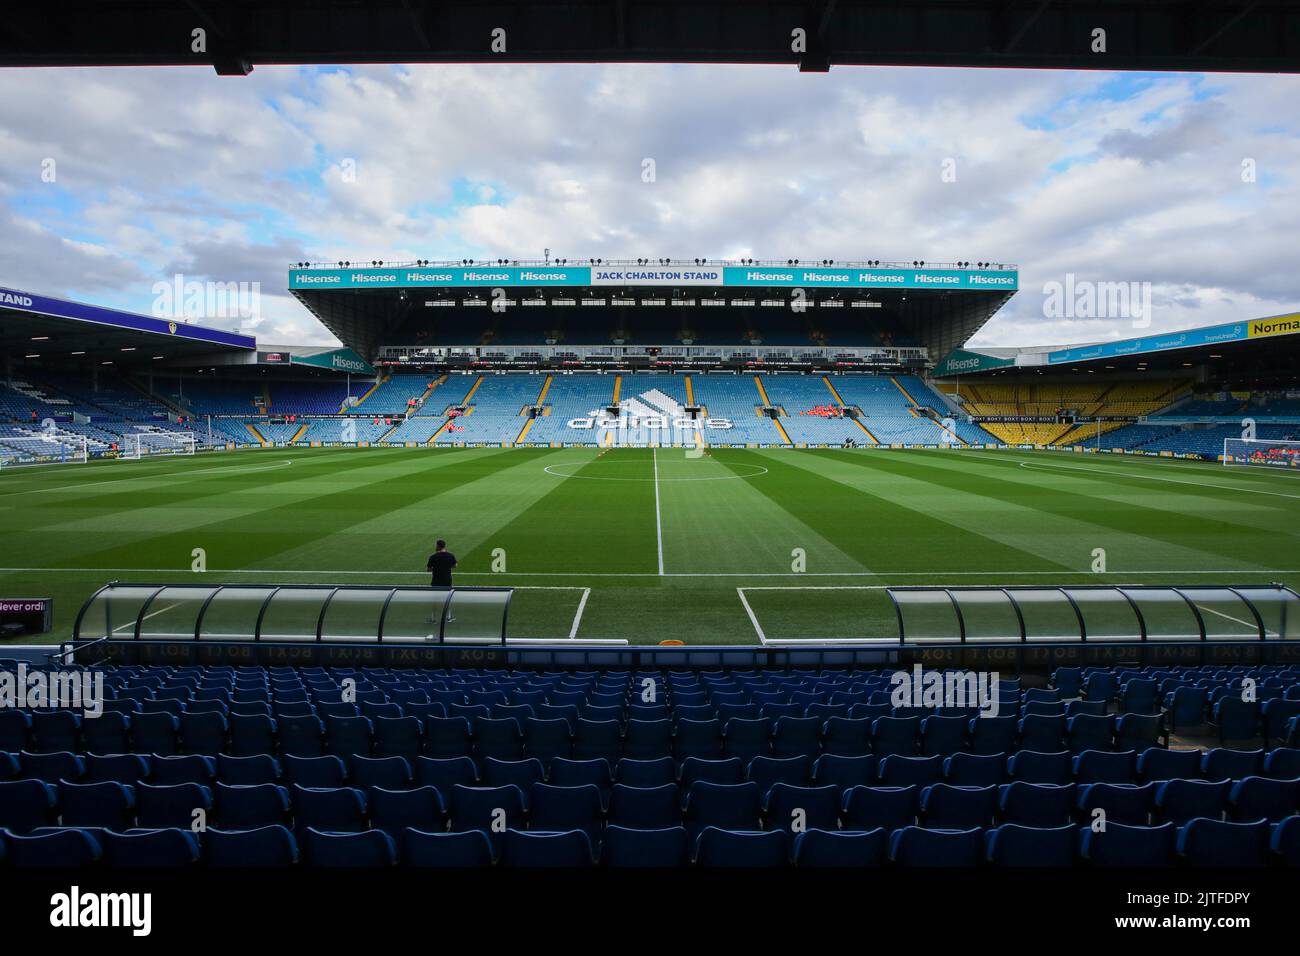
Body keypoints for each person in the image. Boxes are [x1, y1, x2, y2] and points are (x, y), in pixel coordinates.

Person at [426, 540, 457, 632]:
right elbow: (455, 565)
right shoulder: (450, 555)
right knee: (447, 599)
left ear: (438, 546)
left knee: (435, 600)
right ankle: (448, 617)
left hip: (436, 581)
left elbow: (428, 569)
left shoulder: (433, 557)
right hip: (447, 580)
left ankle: (434, 618)